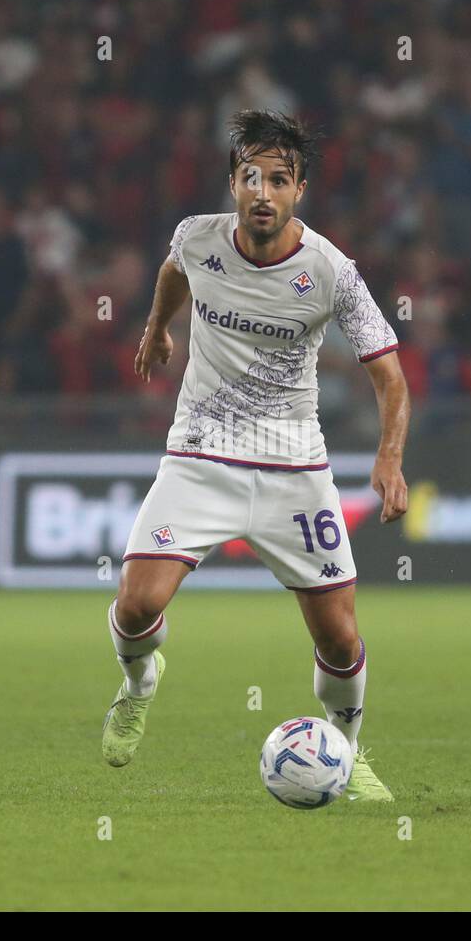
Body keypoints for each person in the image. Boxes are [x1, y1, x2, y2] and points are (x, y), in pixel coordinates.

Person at [101, 110, 410, 802]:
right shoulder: (197, 237)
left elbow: (390, 376)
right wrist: (157, 328)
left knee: (338, 636)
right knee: (135, 606)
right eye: (250, 177)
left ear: (299, 189)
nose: (263, 191)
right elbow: (174, 270)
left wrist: (389, 460)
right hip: (200, 456)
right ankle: (138, 683)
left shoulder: (332, 272)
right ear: (232, 184)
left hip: (294, 469)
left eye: (279, 178)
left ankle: (347, 749)